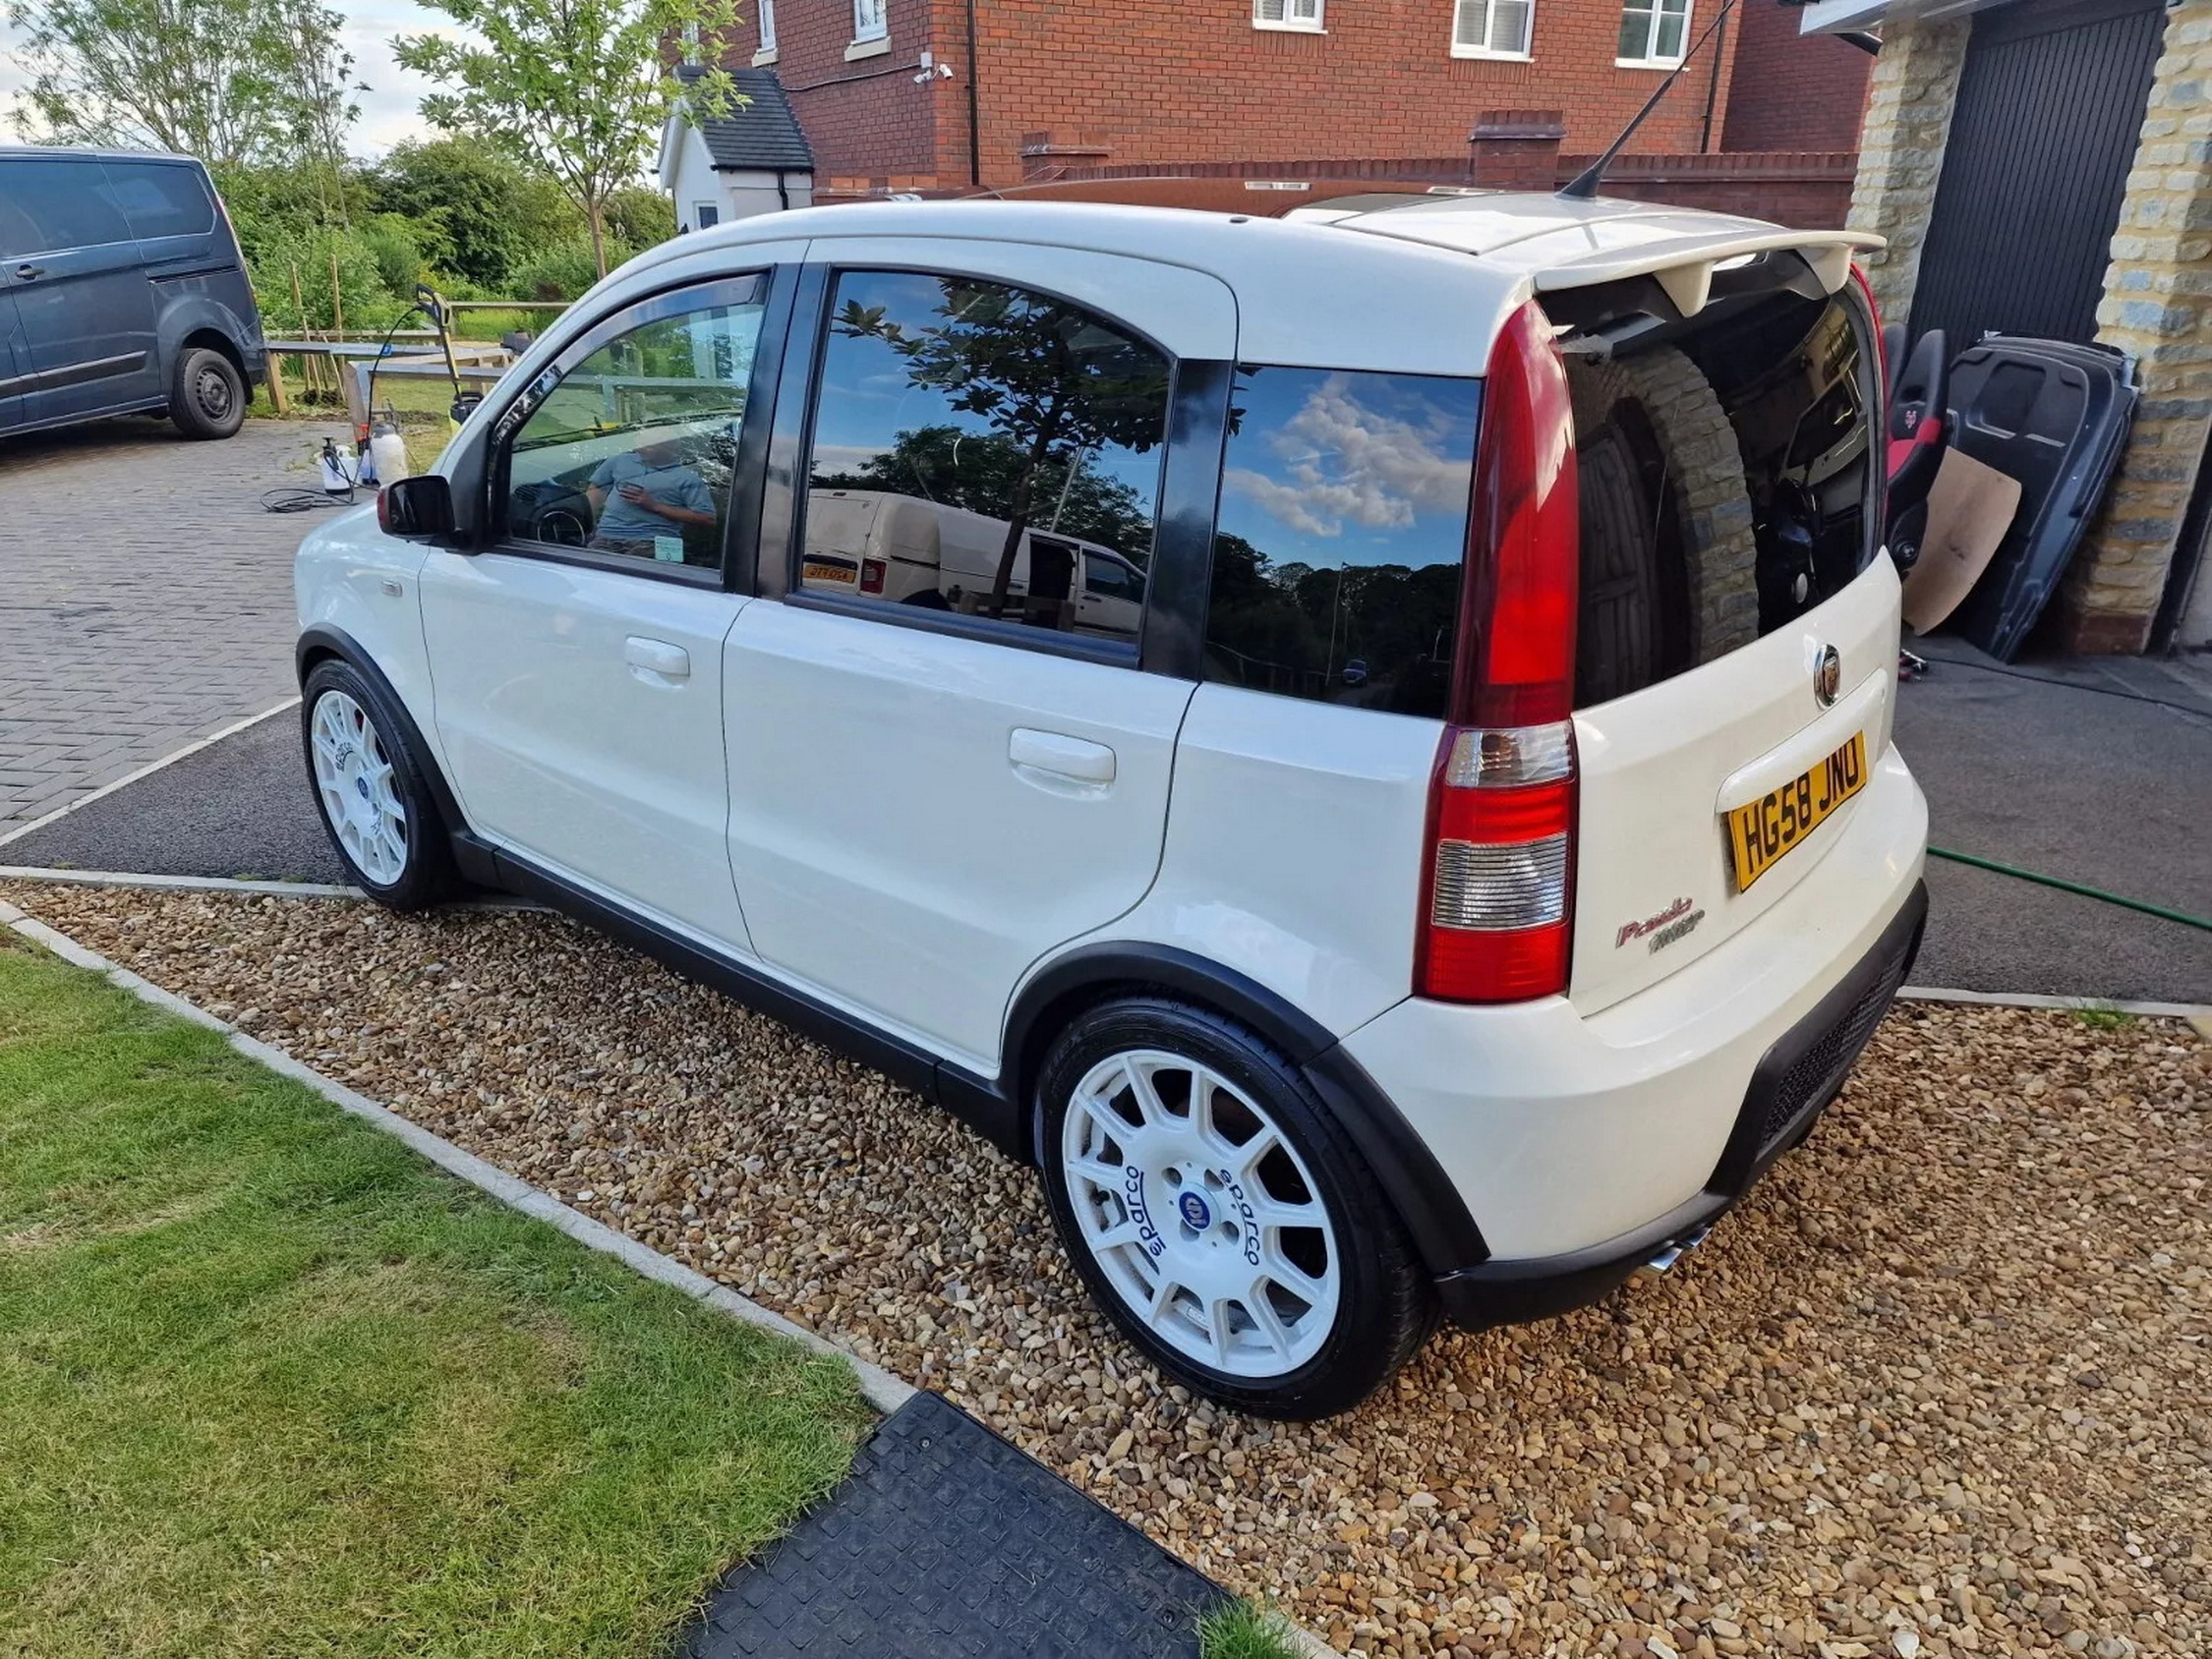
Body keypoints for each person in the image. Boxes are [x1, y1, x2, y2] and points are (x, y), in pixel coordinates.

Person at [586, 436, 718, 557]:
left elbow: (707, 519)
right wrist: (587, 523)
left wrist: (655, 506)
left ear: (670, 449)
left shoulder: (687, 478)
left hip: (656, 542)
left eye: (649, 446)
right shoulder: (618, 461)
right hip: (606, 536)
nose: (638, 449)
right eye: (638, 443)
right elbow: (596, 491)